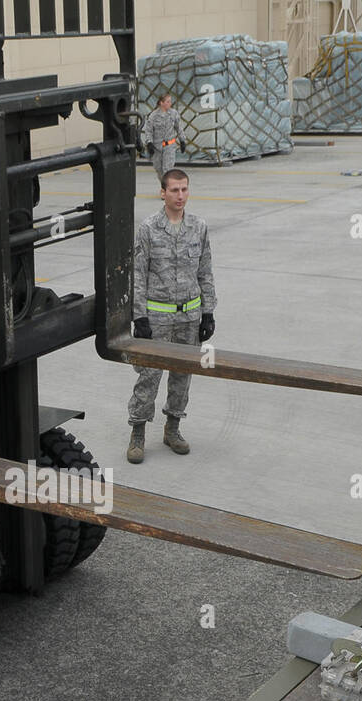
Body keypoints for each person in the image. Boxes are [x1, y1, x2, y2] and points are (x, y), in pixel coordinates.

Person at [125, 168, 216, 464]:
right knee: (148, 376)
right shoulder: (149, 228)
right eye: (174, 190)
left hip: (189, 317)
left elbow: (205, 270)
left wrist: (208, 312)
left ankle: (172, 429)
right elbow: (137, 274)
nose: (180, 195)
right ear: (162, 193)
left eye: (184, 189)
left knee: (182, 376)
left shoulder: (198, 227)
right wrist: (139, 317)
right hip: (157, 318)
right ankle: (137, 433)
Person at [142, 92, 185, 183]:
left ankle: (166, 189)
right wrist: (149, 143)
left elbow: (178, 128)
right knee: (159, 169)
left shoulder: (174, 114)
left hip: (169, 146)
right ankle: (164, 186)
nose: (170, 103)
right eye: (168, 102)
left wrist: (182, 140)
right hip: (157, 147)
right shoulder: (153, 116)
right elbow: (148, 131)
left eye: (170, 101)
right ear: (161, 103)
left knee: (168, 169)